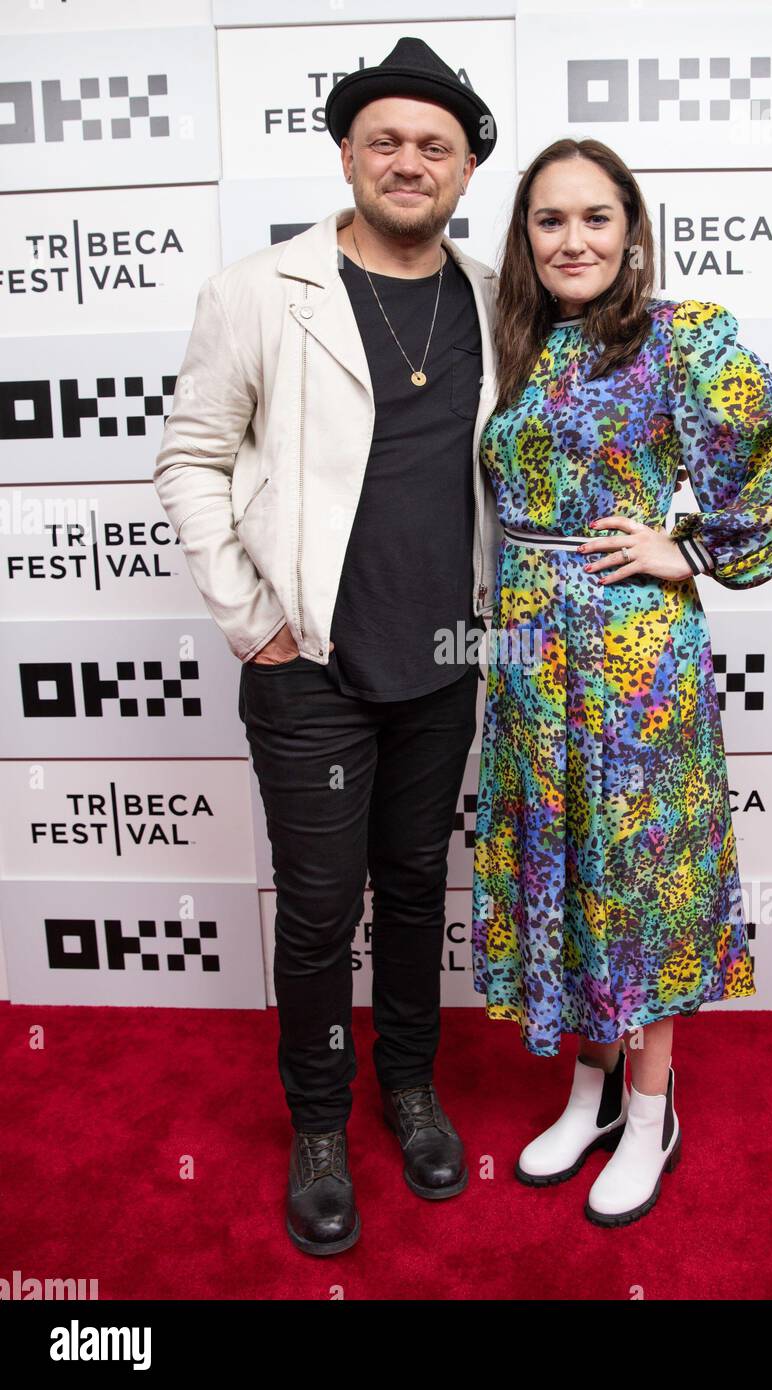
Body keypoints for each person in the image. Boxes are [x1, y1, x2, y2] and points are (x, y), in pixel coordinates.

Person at [153, 37, 503, 1256]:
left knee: (415, 889)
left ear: (467, 170)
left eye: (436, 146)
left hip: (448, 656)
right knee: (316, 910)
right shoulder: (261, 289)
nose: (410, 161)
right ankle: (318, 1125)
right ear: (347, 153)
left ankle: (408, 1089)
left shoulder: (495, 296)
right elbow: (191, 455)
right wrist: (257, 624)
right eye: (387, 140)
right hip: (310, 671)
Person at [471, 137, 772, 1227]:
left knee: (636, 884)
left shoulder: (681, 339)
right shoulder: (517, 346)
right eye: (550, 220)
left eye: (596, 217)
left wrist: (694, 544)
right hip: (534, 663)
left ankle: (648, 1110)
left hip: (638, 669)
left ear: (633, 232)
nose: (573, 239)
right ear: (525, 238)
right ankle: (585, 1091)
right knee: (570, 869)